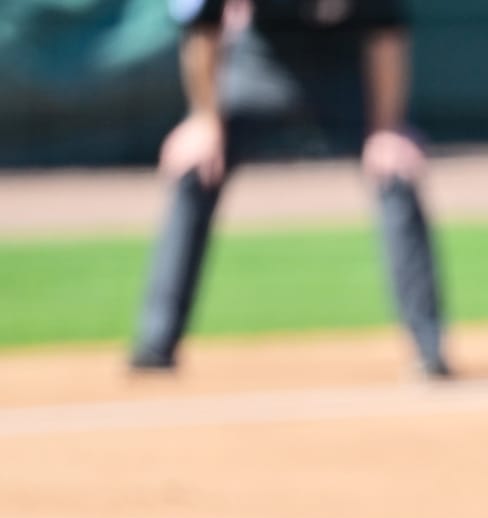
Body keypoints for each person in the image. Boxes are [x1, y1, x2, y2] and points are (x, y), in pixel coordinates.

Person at [129, 0, 450, 378]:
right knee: (196, 168)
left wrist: (386, 127)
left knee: (396, 168)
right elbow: (204, 28)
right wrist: (204, 119)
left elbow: (387, 37)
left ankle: (429, 348)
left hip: (343, 71)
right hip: (259, 65)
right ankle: (156, 341)